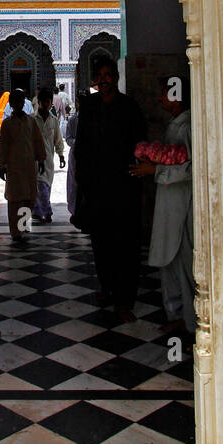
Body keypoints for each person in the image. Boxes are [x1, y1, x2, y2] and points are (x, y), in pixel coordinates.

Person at [73, 56, 145, 320]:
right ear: (94, 80)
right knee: (101, 241)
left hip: (123, 185)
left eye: (108, 75)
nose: (103, 80)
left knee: (125, 244)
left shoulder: (128, 107)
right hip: (97, 186)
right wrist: (81, 177)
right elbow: (81, 143)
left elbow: (140, 144)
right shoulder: (90, 106)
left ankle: (124, 299)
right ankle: (106, 286)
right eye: (99, 76)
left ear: (115, 76)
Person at [131, 75, 194, 341]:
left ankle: (191, 325)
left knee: (186, 264)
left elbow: (193, 168)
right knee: (170, 262)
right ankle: (177, 317)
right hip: (169, 205)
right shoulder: (176, 125)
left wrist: (156, 170)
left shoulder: (189, 126)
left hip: (183, 206)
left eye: (164, 93)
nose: (159, 98)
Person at [0, 88, 46, 244]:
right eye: (15, 102)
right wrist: (2, 165)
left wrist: (41, 159)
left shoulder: (31, 121)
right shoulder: (7, 124)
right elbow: (2, 146)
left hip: (29, 166)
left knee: (29, 198)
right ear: (11, 104)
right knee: (15, 199)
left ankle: (23, 226)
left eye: (21, 101)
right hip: (14, 168)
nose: (18, 104)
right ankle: (15, 232)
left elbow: (38, 141)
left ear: (24, 103)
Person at [32, 86, 66, 223]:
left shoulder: (53, 120)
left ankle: (37, 212)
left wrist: (61, 155)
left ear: (51, 103)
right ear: (38, 102)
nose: (46, 104)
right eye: (43, 102)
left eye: (48, 102)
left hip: (49, 160)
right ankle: (47, 211)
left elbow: (58, 139)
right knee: (40, 186)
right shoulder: (33, 120)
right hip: (35, 160)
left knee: (46, 186)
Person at [65, 91, 88, 221]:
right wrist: (78, 142)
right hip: (75, 156)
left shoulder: (92, 119)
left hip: (88, 157)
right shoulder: (73, 120)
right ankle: (74, 210)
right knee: (74, 184)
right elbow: (68, 138)